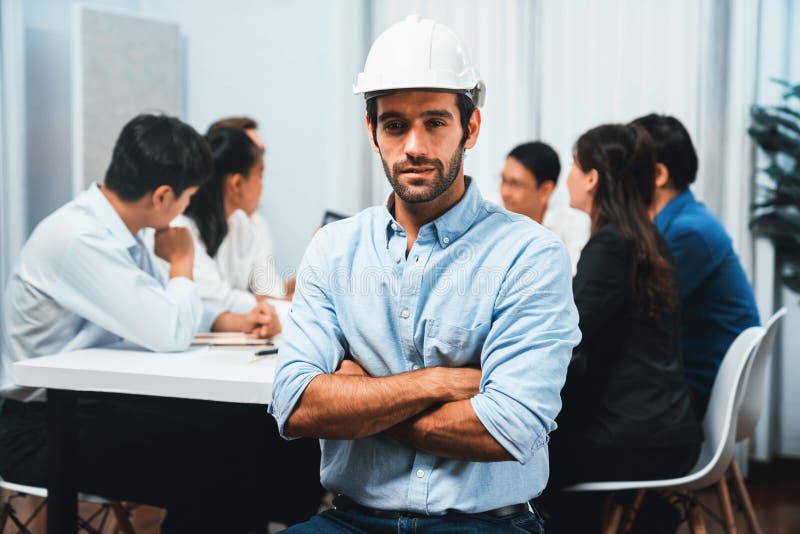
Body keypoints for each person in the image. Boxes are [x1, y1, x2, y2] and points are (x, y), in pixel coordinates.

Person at [269, 15, 580, 533]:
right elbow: (296, 406)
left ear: (470, 128)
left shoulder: (531, 254)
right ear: (372, 132)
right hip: (351, 521)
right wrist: (439, 383)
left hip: (486, 524)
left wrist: (362, 397)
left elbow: (506, 430)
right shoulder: (333, 249)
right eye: (394, 125)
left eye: (435, 122)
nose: (414, 145)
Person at [0, 114, 322, 533]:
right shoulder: (79, 238)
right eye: (188, 197)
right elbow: (168, 330)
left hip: (98, 405)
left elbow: (174, 307)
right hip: (41, 426)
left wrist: (236, 319)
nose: (188, 207)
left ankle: (293, 508)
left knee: (261, 431)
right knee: (222, 468)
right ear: (163, 196)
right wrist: (183, 261)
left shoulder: (122, 230)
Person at [542, 124, 702, 533]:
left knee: (521, 452)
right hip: (663, 429)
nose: (570, 179)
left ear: (593, 178)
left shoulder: (613, 245)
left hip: (636, 438)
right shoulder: (645, 237)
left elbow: (565, 333)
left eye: (575, 166)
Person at [632, 114, 760, 418]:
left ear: (658, 175)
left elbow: (637, 312)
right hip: (693, 375)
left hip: (698, 388)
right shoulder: (683, 220)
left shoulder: (687, 232)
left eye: (628, 164)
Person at [173, 127, 286, 327]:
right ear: (237, 184)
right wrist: (276, 306)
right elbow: (217, 298)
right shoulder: (181, 229)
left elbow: (267, 285)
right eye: (259, 176)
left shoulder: (242, 224)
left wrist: (275, 302)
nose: (262, 186)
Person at [501, 141, 589, 273]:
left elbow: (573, 277)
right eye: (503, 180)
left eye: (515, 184)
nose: (504, 192)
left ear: (545, 190)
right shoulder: (488, 213)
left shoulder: (574, 222)